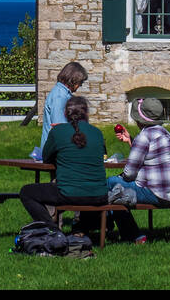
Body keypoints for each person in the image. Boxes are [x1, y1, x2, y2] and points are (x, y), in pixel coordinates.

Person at [19, 95, 107, 225]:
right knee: (86, 192)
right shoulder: (97, 132)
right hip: (99, 193)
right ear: (87, 113)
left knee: (27, 192)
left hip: (68, 192)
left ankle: (50, 227)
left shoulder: (58, 131)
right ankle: (81, 230)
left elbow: (46, 157)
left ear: (65, 113)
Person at [105, 97, 170, 243]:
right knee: (115, 193)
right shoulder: (165, 133)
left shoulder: (144, 136)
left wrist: (120, 178)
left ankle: (108, 227)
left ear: (140, 120)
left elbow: (129, 174)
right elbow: (148, 157)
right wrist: (130, 141)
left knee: (110, 183)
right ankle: (130, 235)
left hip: (153, 192)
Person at [38, 61, 87, 152]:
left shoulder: (63, 94)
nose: (80, 85)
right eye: (80, 82)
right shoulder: (60, 96)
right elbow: (59, 128)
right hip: (56, 150)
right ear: (73, 80)